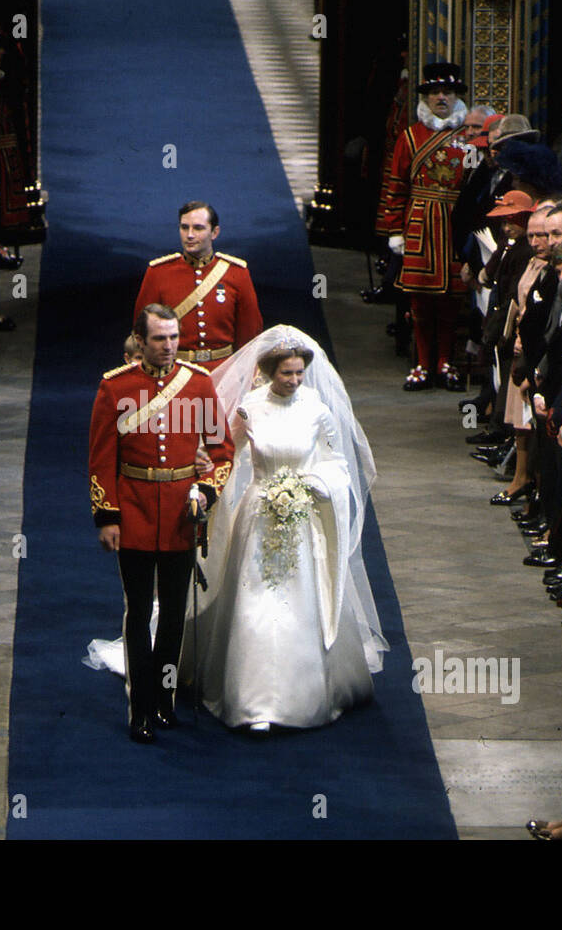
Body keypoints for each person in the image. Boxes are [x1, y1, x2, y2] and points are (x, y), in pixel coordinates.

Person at [195, 326, 388, 731]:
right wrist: (204, 481)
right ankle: (255, 701)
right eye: (287, 373)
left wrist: (313, 487)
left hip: (304, 519)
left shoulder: (316, 409)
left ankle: (304, 692)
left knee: (299, 602)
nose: (295, 380)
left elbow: (336, 463)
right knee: (256, 601)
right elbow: (226, 454)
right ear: (269, 371)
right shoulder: (250, 408)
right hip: (259, 516)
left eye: (300, 373)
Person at [87, 304, 234, 743]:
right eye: (159, 339)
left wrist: (205, 491)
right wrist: (107, 517)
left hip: (179, 516)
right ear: (141, 340)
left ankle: (166, 698)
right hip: (133, 512)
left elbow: (222, 452)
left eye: (173, 338)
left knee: (173, 615)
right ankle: (141, 707)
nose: (169, 347)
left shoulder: (199, 383)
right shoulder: (116, 387)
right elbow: (100, 458)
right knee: (137, 614)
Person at [378, 61, 470, 391]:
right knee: (419, 298)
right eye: (434, 92)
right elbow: (396, 185)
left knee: (450, 298)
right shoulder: (409, 137)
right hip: (420, 224)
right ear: (426, 97)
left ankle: (446, 361)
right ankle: (421, 361)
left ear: (456, 95)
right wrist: (394, 230)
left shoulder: (468, 137)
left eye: (447, 91)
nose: (441, 98)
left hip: (454, 224)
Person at [133, 201, 263, 370]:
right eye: (184, 227)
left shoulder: (237, 273)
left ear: (214, 232)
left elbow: (249, 334)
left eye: (198, 228)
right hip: (175, 373)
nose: (190, 235)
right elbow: (142, 330)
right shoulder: (158, 272)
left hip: (223, 372)